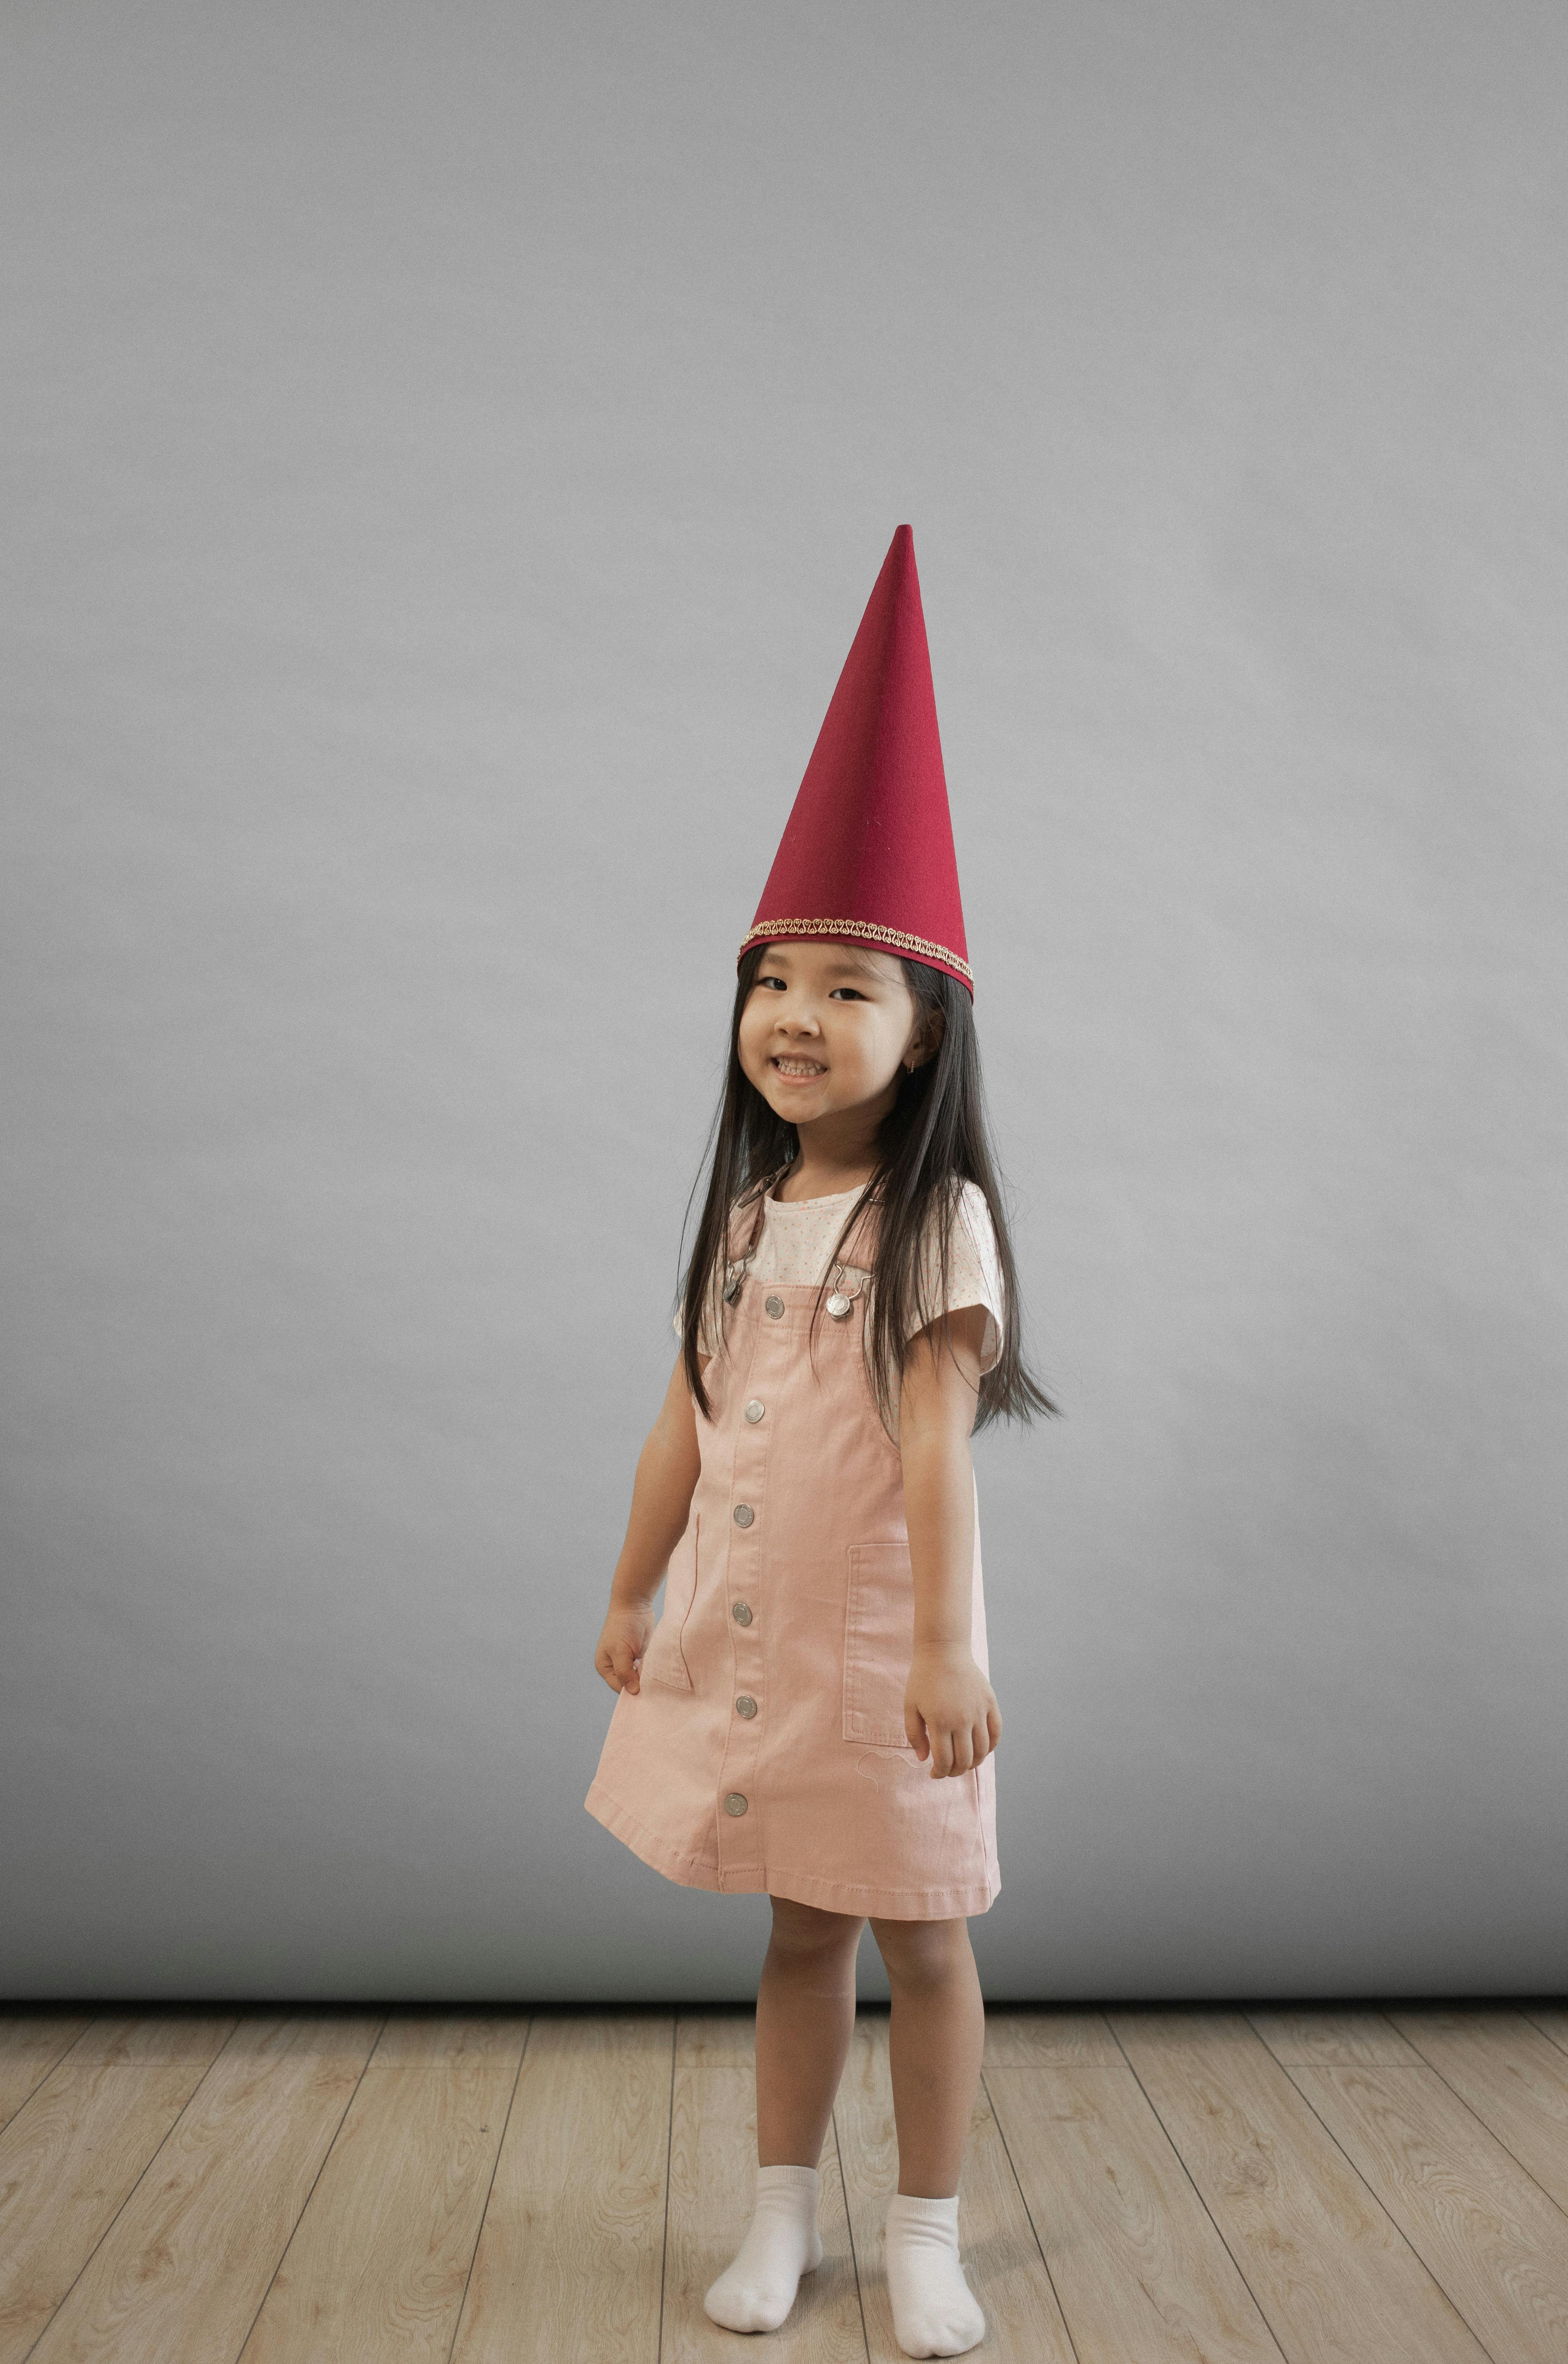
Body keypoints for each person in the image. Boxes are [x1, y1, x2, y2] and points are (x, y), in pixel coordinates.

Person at [586, 526, 1054, 2358]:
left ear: (926, 1034)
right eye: (775, 979)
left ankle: (924, 2231)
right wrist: (631, 1586)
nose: (798, 1016)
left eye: (851, 986)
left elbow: (935, 1450)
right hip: (748, 1638)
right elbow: (682, 1427)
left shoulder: (937, 1230)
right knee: (794, 1937)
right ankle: (782, 2216)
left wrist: (946, 1645)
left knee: (923, 1937)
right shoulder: (741, 1219)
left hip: (883, 1652)